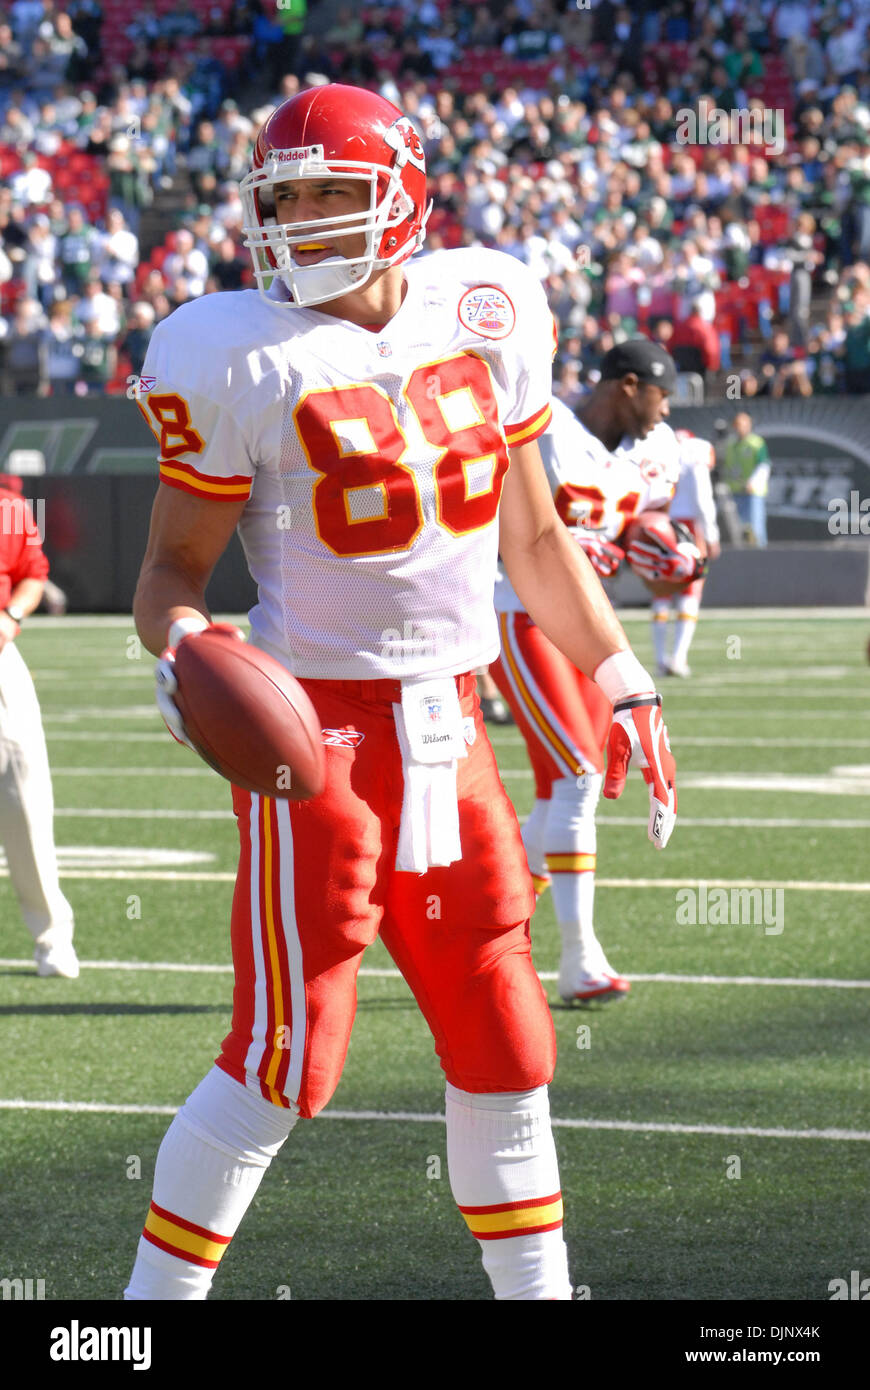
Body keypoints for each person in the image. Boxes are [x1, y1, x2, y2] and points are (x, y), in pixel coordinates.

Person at [125, 85, 678, 1303]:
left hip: (453, 723)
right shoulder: (235, 348)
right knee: (287, 1055)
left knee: (506, 1031)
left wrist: (624, 676)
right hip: (312, 734)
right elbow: (171, 568)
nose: (305, 222)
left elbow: (535, 542)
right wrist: (181, 651)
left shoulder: (485, 303)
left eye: (333, 194)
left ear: (405, 196)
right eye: (286, 199)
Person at [491, 345, 700, 1006]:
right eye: (660, 396)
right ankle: (580, 959)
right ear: (629, 387)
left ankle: (487, 927)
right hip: (521, 611)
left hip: (585, 621)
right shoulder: (542, 424)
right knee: (579, 777)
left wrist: (660, 545)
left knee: (562, 792)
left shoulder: (655, 448)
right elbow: (499, 518)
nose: (666, 411)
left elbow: (638, 520)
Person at [0, 473, 78, 978]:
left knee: (25, 798)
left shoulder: (7, 507)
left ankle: (52, 935)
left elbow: (32, 571)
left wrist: (10, 615)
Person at [649, 430, 720, 679]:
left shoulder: (657, 449)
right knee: (691, 591)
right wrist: (711, 534)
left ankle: (660, 660)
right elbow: (703, 497)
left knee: (661, 592)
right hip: (688, 526)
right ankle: (678, 658)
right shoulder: (696, 451)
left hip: (659, 524)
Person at [724, 412, 771, 547]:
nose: (740, 428)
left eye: (744, 425)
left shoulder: (756, 443)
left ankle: (761, 556)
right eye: (737, 425)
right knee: (738, 530)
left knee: (755, 528)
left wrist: (753, 483)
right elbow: (728, 467)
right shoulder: (730, 445)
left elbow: (764, 465)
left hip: (753, 493)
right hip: (735, 492)